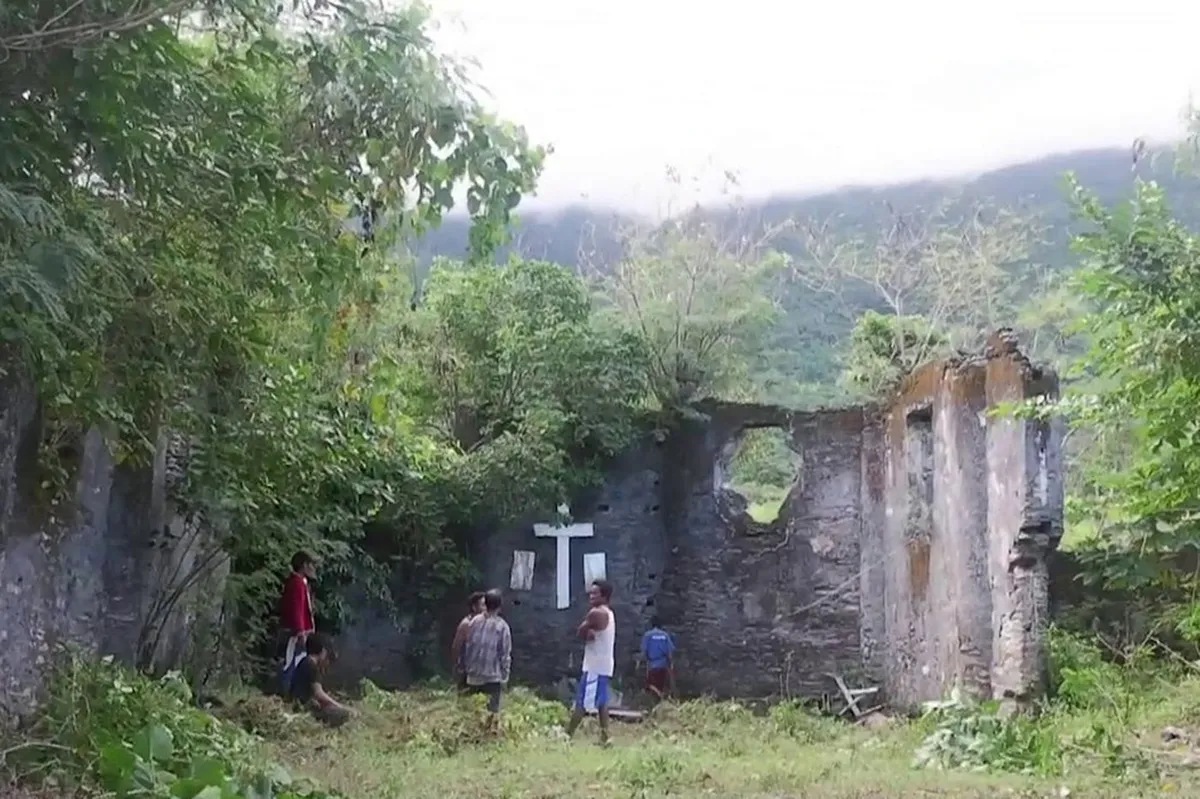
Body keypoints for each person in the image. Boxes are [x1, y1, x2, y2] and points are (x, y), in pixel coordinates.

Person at [565, 579, 615, 746]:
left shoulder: (597, 614)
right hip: (604, 664)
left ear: (605, 596)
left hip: (595, 665)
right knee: (601, 703)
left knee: (582, 702)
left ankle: (567, 735)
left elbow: (580, 631)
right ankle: (605, 737)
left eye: (595, 593)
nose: (591, 596)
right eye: (591, 593)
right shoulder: (609, 613)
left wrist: (587, 630)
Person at [462, 589, 512, 724]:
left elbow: (467, 646)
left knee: (472, 714)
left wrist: (467, 668)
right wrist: (505, 678)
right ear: (500, 606)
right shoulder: (502, 627)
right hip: (492, 678)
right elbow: (505, 655)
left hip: (473, 676)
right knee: (491, 716)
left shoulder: (474, 621)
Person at [288, 633, 352, 727]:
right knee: (342, 714)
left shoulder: (304, 661)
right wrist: (341, 706)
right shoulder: (312, 666)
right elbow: (319, 694)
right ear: (323, 651)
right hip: (303, 708)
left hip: (295, 703)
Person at [280, 551, 317, 693]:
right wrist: (300, 632)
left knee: (297, 663)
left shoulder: (301, 583)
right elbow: (296, 609)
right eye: (311, 564)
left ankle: (293, 693)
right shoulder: (296, 583)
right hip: (295, 634)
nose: (313, 568)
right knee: (291, 664)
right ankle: (286, 693)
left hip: (299, 633)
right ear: (304, 565)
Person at [450, 591, 486, 691]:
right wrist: (456, 667)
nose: (486, 608)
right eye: (483, 605)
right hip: (466, 671)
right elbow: (456, 647)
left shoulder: (487, 624)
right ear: (474, 607)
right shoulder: (466, 624)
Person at [640, 616, 676, 701]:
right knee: (660, 685)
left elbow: (644, 651)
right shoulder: (665, 635)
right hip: (663, 665)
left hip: (652, 665)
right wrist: (671, 665)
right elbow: (670, 651)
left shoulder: (648, 635)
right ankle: (660, 699)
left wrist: (639, 663)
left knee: (649, 685)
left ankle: (660, 698)